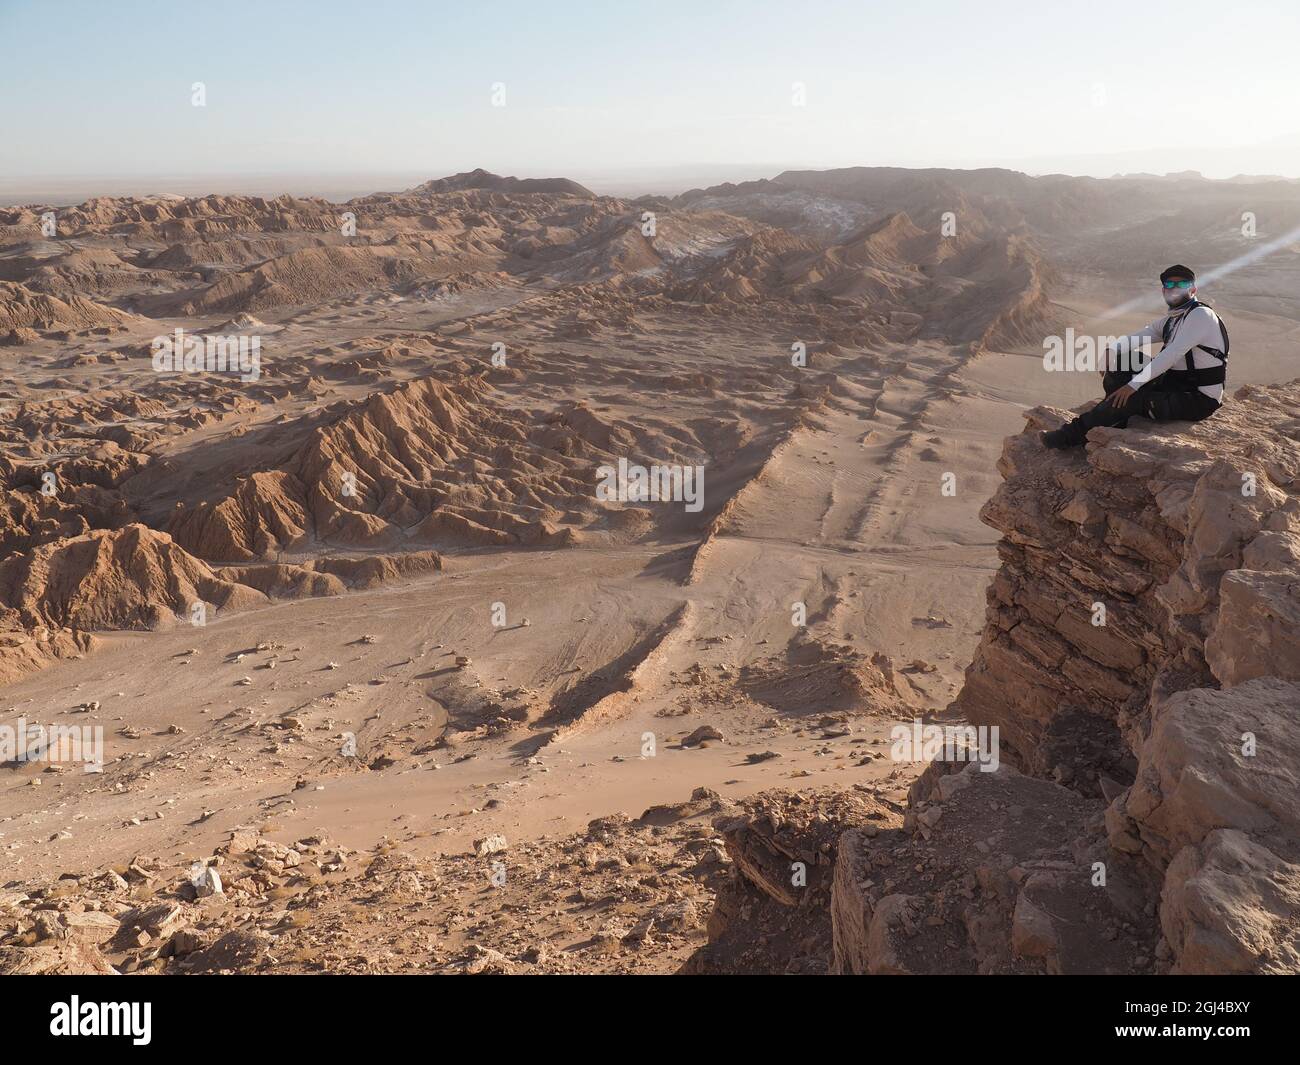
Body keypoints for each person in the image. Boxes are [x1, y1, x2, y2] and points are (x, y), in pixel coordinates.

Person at [1042, 265, 1227, 448]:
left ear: (1193, 289)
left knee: (1129, 398)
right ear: (1164, 291)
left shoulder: (1201, 315)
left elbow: (1172, 354)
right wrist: (1111, 350)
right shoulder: (1173, 320)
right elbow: (1142, 335)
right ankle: (1116, 416)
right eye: (1170, 284)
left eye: (1182, 283)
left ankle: (1068, 436)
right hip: (1175, 384)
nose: (1175, 288)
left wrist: (1132, 386)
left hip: (1198, 399)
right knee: (1125, 360)